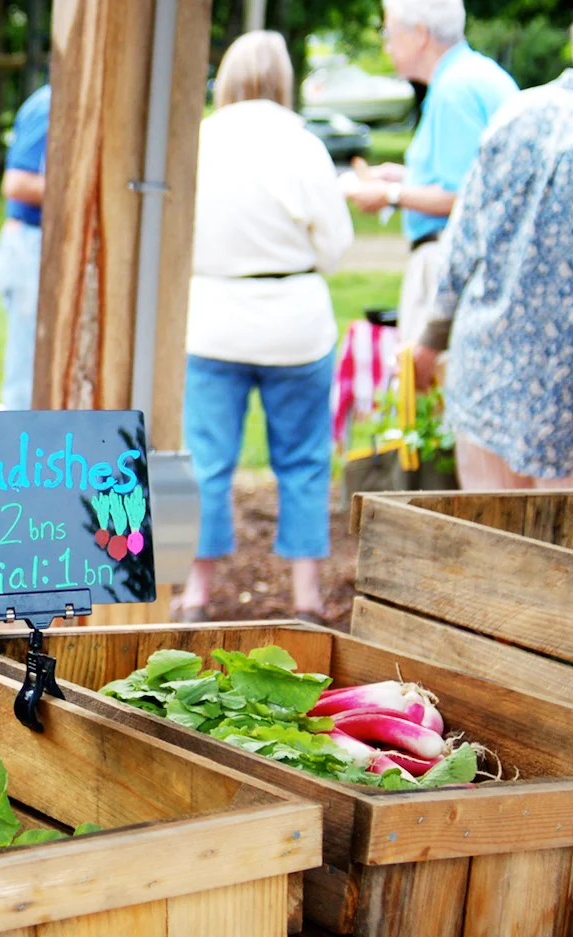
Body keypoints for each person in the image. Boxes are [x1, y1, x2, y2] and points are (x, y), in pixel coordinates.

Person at [179, 31, 354, 624]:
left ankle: (197, 593)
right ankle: (306, 596)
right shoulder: (304, 146)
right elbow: (335, 247)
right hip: (293, 321)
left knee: (206, 459)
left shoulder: (199, 139)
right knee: (304, 460)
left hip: (212, 321)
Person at [425, 0, 573, 490]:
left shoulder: (518, 111)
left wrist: (432, 337)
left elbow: (461, 240)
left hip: (484, 382)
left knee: (493, 553)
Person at [345, 0, 517, 371]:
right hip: (486, 263)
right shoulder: (478, 76)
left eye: (389, 31)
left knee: (423, 388)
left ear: (420, 34)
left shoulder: (455, 91)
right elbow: (482, 179)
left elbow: (463, 196)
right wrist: (407, 178)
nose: (386, 43)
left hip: (447, 261)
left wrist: (390, 194)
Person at [0, 83, 50, 410]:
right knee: (27, 370)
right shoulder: (48, 106)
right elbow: (16, 183)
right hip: (31, 244)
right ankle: (20, 452)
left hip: (41, 246)